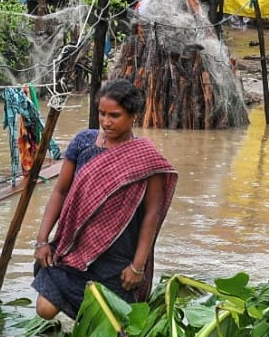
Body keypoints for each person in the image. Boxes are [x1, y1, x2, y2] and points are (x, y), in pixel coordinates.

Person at [32, 79, 177, 320]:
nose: (106, 122)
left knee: (110, 324)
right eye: (102, 114)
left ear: (133, 116)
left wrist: (137, 266)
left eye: (115, 115)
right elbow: (60, 191)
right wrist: (41, 240)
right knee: (45, 309)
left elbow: (152, 214)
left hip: (118, 257)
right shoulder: (83, 143)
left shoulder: (145, 158)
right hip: (75, 248)